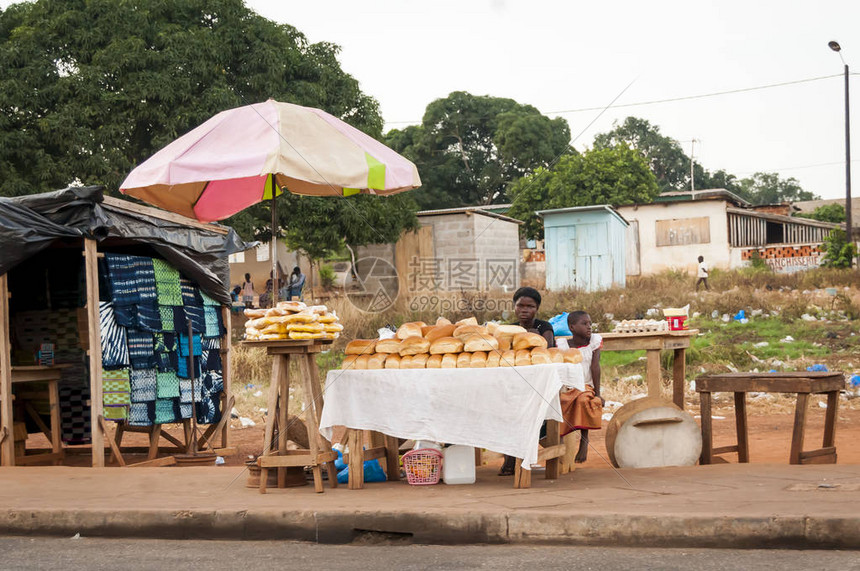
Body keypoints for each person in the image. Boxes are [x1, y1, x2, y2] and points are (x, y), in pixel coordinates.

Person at [499, 286, 555, 476]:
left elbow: (549, 347)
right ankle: (510, 456)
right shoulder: (510, 329)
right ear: (514, 307)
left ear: (537, 308)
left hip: (539, 384)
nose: (524, 310)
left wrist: (532, 336)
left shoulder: (544, 327)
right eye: (520, 305)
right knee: (505, 410)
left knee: (531, 413)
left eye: (530, 306)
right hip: (515, 383)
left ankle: (517, 457)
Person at [564, 310, 605, 463]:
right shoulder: (563, 346)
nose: (589, 327)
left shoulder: (594, 342)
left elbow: (595, 368)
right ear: (572, 327)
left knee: (583, 401)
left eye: (590, 323)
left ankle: (584, 439)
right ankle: (560, 444)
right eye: (584, 324)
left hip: (586, 385)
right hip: (568, 386)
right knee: (560, 403)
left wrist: (598, 394)